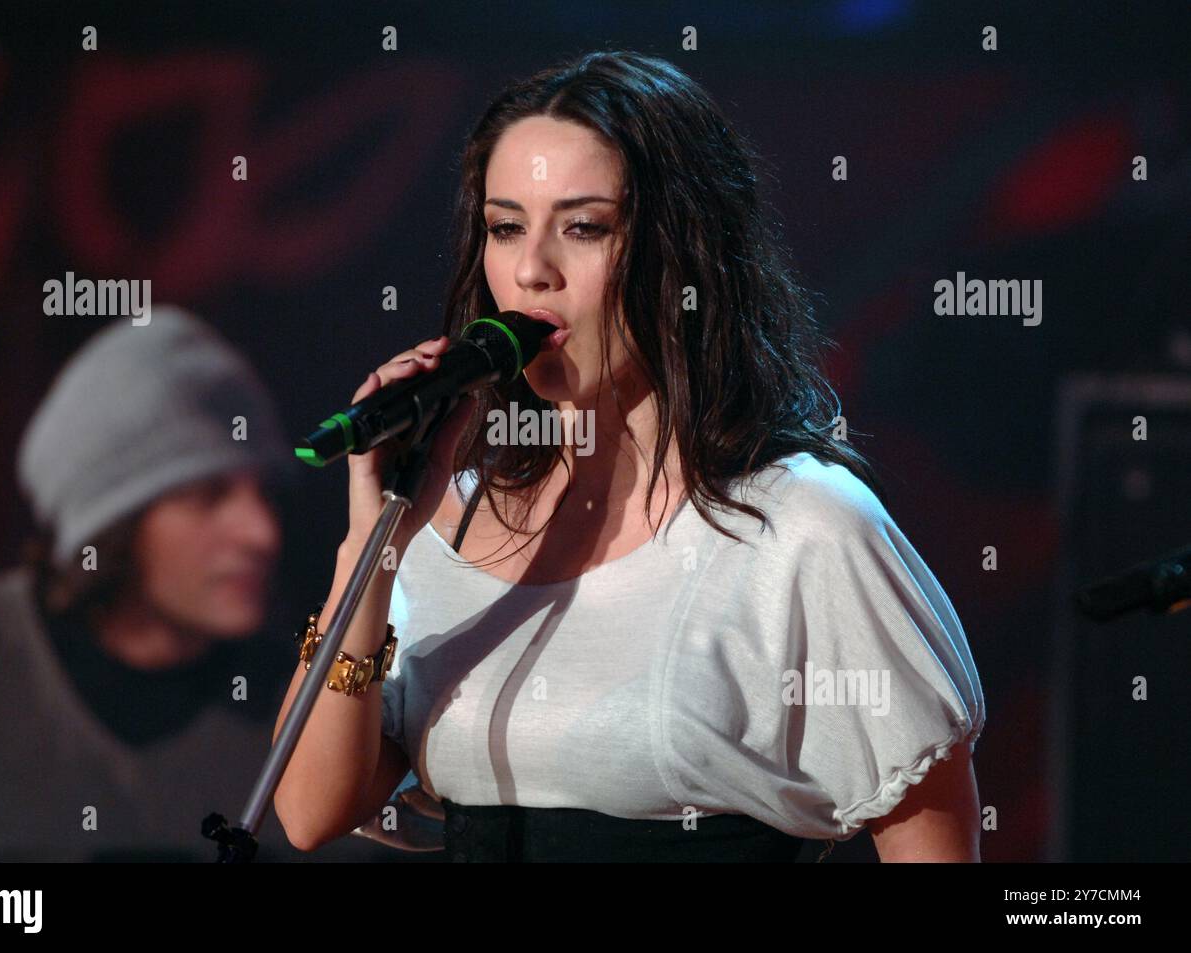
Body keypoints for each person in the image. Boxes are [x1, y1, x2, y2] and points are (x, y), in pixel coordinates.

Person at [274, 51, 985, 862]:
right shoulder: (450, 516)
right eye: (506, 227)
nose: (532, 269)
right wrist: (375, 542)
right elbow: (306, 808)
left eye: (583, 227)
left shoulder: (804, 528)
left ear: (682, 254)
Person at [0, 307, 316, 861]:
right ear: (114, 523)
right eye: (207, 494)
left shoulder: (295, 702)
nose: (261, 532)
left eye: (264, 493)